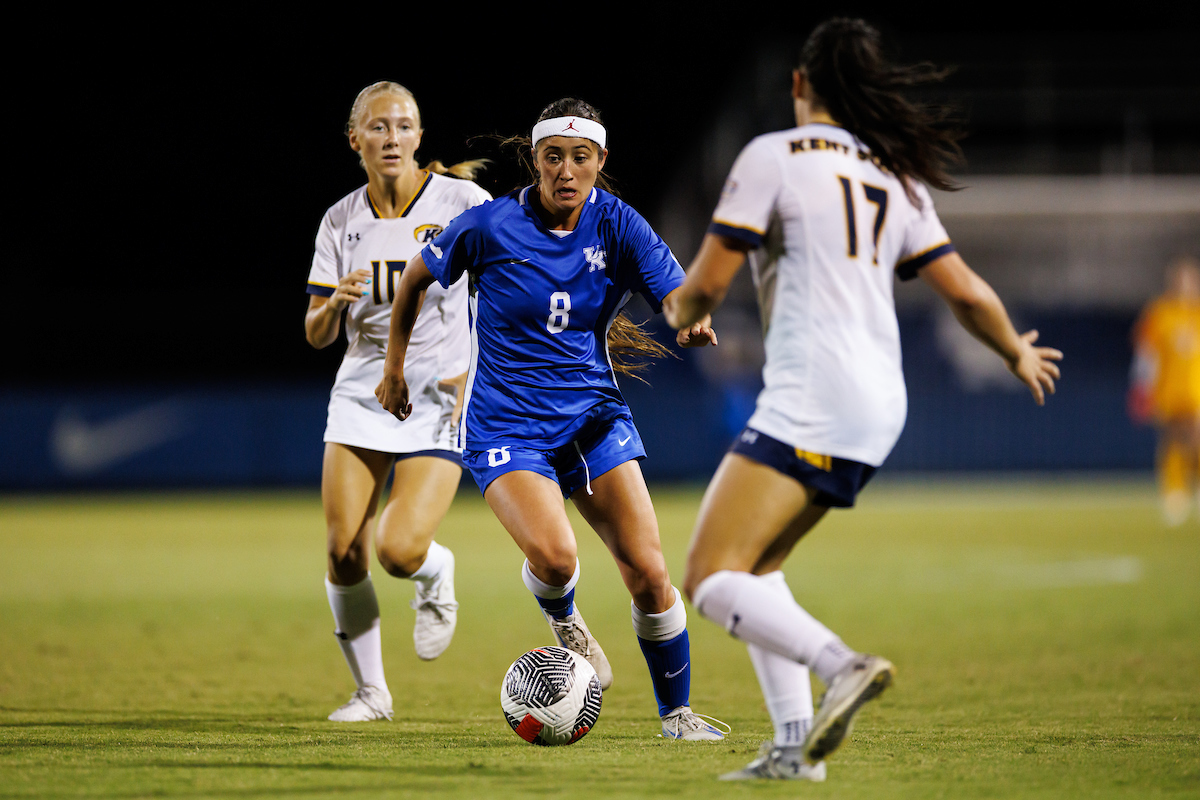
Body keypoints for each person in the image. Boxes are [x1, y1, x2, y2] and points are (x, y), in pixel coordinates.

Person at [663, 18, 1063, 780]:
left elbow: (707, 284)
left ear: (799, 85)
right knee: (756, 567)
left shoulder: (771, 156)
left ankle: (839, 664)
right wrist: (1014, 348)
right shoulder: (893, 173)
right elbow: (966, 290)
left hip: (814, 393)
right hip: (879, 402)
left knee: (709, 577)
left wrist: (678, 312)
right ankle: (792, 750)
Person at [376, 98, 729, 740]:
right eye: (554, 157)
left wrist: (689, 317)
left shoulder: (617, 223)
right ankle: (565, 619)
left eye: (581, 158)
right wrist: (394, 368)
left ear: (600, 163)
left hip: (593, 419)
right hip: (507, 428)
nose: (567, 170)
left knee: (650, 574)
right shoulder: (489, 226)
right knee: (557, 556)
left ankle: (676, 716)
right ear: (535, 160)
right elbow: (413, 279)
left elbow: (672, 290)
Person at [305, 81, 491, 722]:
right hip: (360, 393)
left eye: (404, 126)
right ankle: (372, 693)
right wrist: (333, 304)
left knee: (399, 549)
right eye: (379, 127)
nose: (392, 138)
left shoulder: (462, 201)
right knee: (342, 551)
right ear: (354, 138)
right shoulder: (340, 219)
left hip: (439, 394)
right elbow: (315, 333)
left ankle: (435, 576)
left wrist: (478, 368)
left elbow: (506, 287)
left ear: (419, 136)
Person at [1129, 255, 1200, 525]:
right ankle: (1174, 493)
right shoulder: (1160, 313)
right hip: (1169, 387)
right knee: (1172, 438)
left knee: (1196, 437)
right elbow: (1146, 354)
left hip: (1196, 386)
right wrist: (1141, 386)